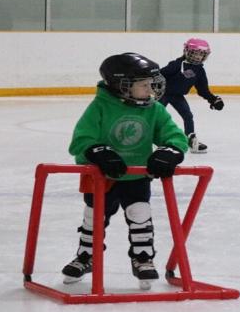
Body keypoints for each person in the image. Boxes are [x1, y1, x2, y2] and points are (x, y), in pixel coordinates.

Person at [60, 53, 188, 289]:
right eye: (143, 85)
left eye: (151, 84)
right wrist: (96, 151)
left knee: (140, 214)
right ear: (122, 86)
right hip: (101, 179)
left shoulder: (154, 109)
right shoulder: (99, 107)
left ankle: (142, 258)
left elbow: (174, 135)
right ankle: (86, 256)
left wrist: (171, 150)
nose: (150, 89)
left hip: (137, 178)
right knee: (94, 218)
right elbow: (80, 141)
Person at [159, 38, 224, 154]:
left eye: (202, 54)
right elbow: (159, 74)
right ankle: (146, 136)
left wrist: (213, 99)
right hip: (163, 94)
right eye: (196, 53)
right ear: (187, 52)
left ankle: (190, 139)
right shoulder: (177, 65)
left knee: (188, 116)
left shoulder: (199, 71)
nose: (199, 57)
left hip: (178, 96)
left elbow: (203, 90)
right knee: (157, 115)